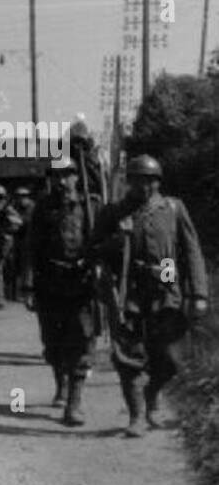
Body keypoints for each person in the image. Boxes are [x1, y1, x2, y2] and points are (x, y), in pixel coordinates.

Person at [95, 155, 209, 437]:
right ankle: (136, 416)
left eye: (149, 180)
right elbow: (92, 251)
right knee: (127, 357)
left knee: (170, 357)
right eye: (136, 180)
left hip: (166, 287)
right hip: (128, 291)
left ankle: (152, 394)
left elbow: (191, 250)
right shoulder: (114, 212)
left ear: (158, 182)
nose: (143, 186)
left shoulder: (173, 208)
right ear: (128, 182)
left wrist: (198, 292)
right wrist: (117, 241)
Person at [20, 156, 101, 426]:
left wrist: (100, 267)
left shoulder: (91, 206)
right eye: (57, 175)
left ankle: (74, 405)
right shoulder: (43, 208)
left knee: (80, 341)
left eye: (67, 174)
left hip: (81, 284)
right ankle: (61, 384)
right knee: (53, 343)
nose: (62, 180)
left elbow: (104, 242)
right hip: (49, 284)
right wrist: (29, 285)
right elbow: (31, 248)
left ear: (77, 176)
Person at [5, 186, 37, 301]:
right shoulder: (15, 206)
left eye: (23, 197)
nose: (20, 199)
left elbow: (26, 222)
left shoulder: (33, 207)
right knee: (12, 267)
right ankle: (12, 293)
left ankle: (26, 294)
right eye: (18, 197)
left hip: (28, 241)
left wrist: (16, 216)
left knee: (27, 268)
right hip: (16, 241)